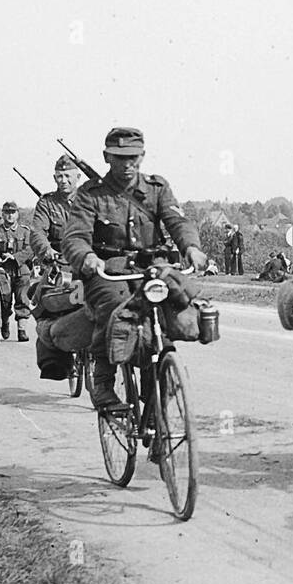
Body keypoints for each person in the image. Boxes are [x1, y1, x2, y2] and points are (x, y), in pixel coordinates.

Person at [62, 127, 207, 408]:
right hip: (108, 269)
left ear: (142, 156)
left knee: (172, 303)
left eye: (133, 157)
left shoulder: (156, 188)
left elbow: (177, 221)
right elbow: (75, 236)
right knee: (112, 308)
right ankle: (103, 382)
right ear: (107, 157)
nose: (127, 164)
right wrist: (87, 258)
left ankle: (162, 375)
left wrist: (191, 247)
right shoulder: (91, 195)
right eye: (119, 158)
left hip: (153, 266)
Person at [0, 200, 50, 341]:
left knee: (23, 298)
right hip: (2, 270)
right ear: (2, 214)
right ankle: (4, 322)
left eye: (13, 213)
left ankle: (22, 329)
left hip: (21, 269)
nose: (10, 216)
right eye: (7, 213)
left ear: (17, 214)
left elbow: (30, 249)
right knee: (4, 299)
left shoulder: (25, 231)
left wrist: (15, 257)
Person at [31, 155, 80, 262]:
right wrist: (46, 250)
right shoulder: (46, 203)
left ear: (78, 177)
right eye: (60, 176)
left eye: (68, 176)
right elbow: (37, 232)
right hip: (57, 260)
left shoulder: (89, 200)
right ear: (54, 178)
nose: (63, 181)